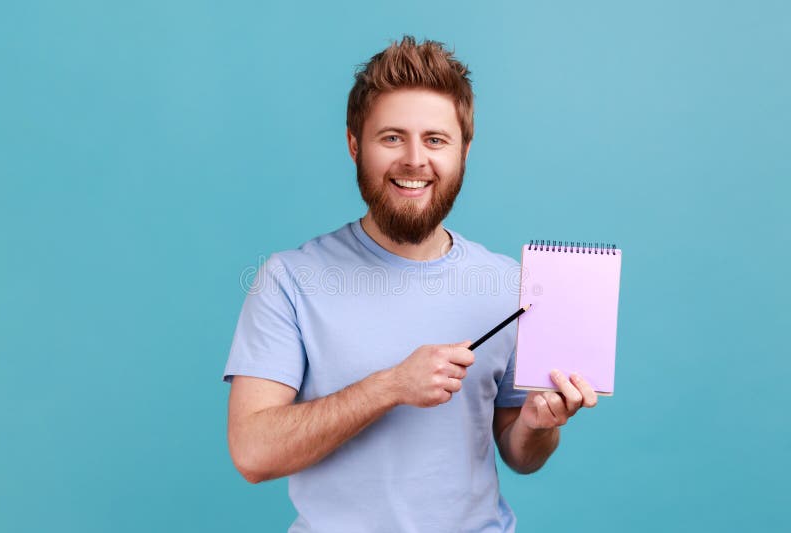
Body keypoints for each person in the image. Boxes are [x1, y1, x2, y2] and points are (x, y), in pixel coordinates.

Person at [222, 35, 598, 532]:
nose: (415, 160)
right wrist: (391, 386)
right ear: (355, 145)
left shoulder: (509, 285)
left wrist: (536, 426)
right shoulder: (289, 280)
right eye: (392, 137)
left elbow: (520, 455)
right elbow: (252, 454)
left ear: (464, 150)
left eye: (436, 140)